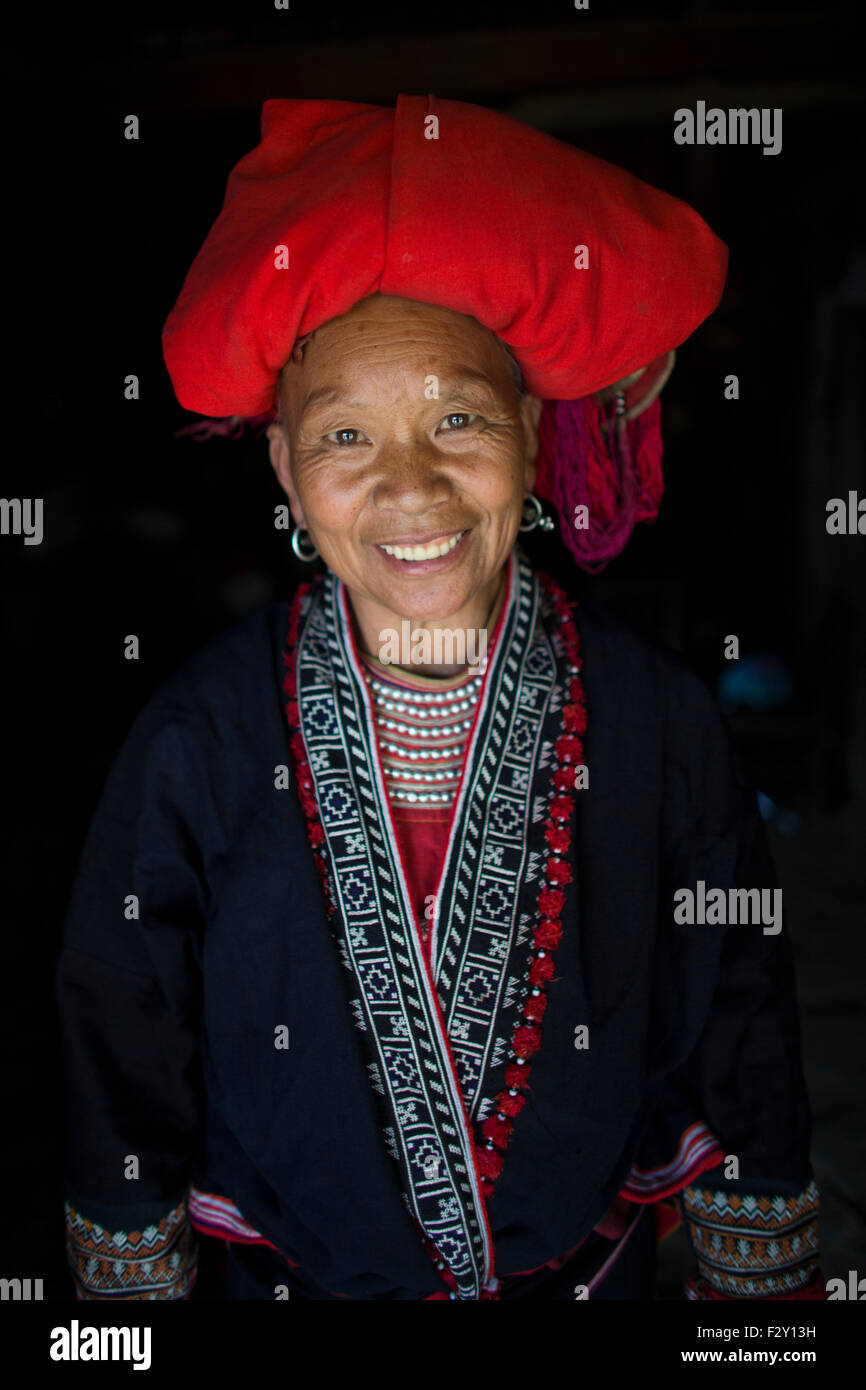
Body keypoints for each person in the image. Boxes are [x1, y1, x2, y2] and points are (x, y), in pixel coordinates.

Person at [56, 94, 823, 1301]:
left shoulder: (654, 716)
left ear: (528, 430)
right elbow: (123, 999)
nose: (410, 487)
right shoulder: (202, 730)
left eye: (456, 418)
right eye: (344, 437)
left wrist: (751, 1261)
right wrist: (131, 1266)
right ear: (284, 468)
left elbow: (733, 989)